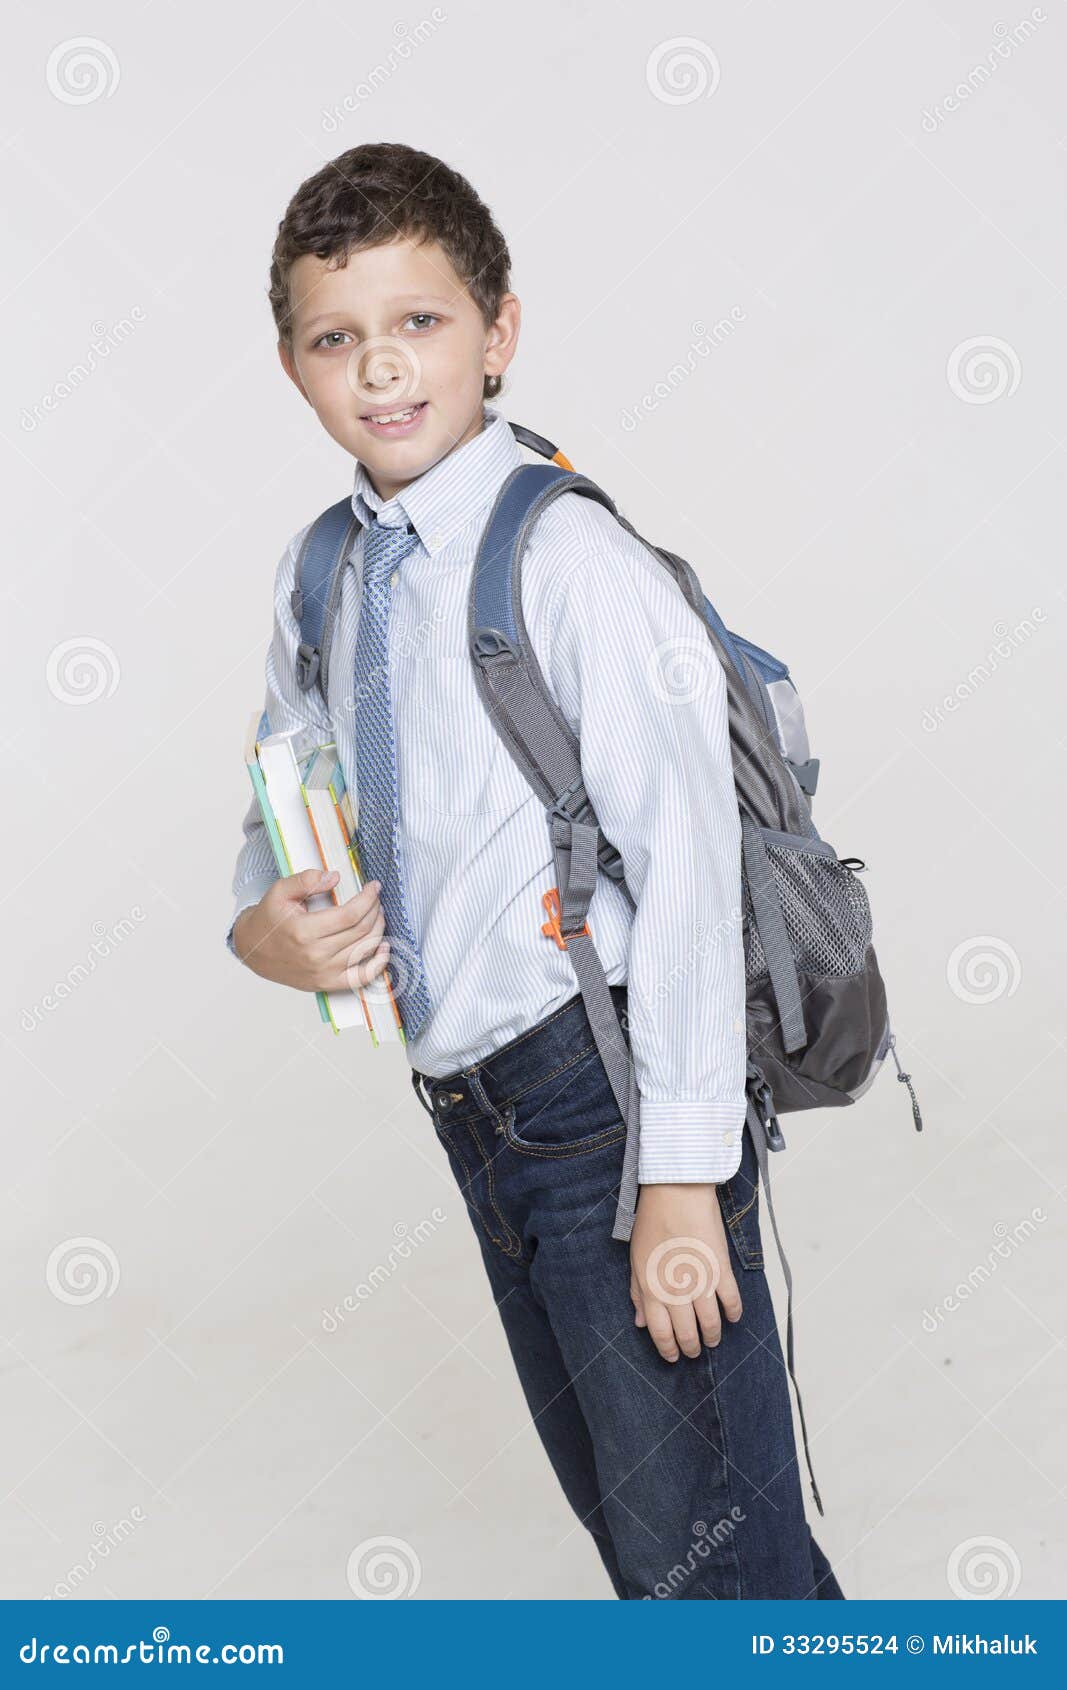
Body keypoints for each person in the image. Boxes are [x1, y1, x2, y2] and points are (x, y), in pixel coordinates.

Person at [226, 141, 843, 1601]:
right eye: (338, 338)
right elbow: (280, 798)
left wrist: (682, 1179)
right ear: (294, 365)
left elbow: (687, 874)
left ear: (498, 331)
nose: (382, 367)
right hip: (477, 1112)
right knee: (648, 1539)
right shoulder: (328, 569)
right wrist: (271, 926)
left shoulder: (570, 564)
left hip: (608, 1103)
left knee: (716, 1564)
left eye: (421, 322)